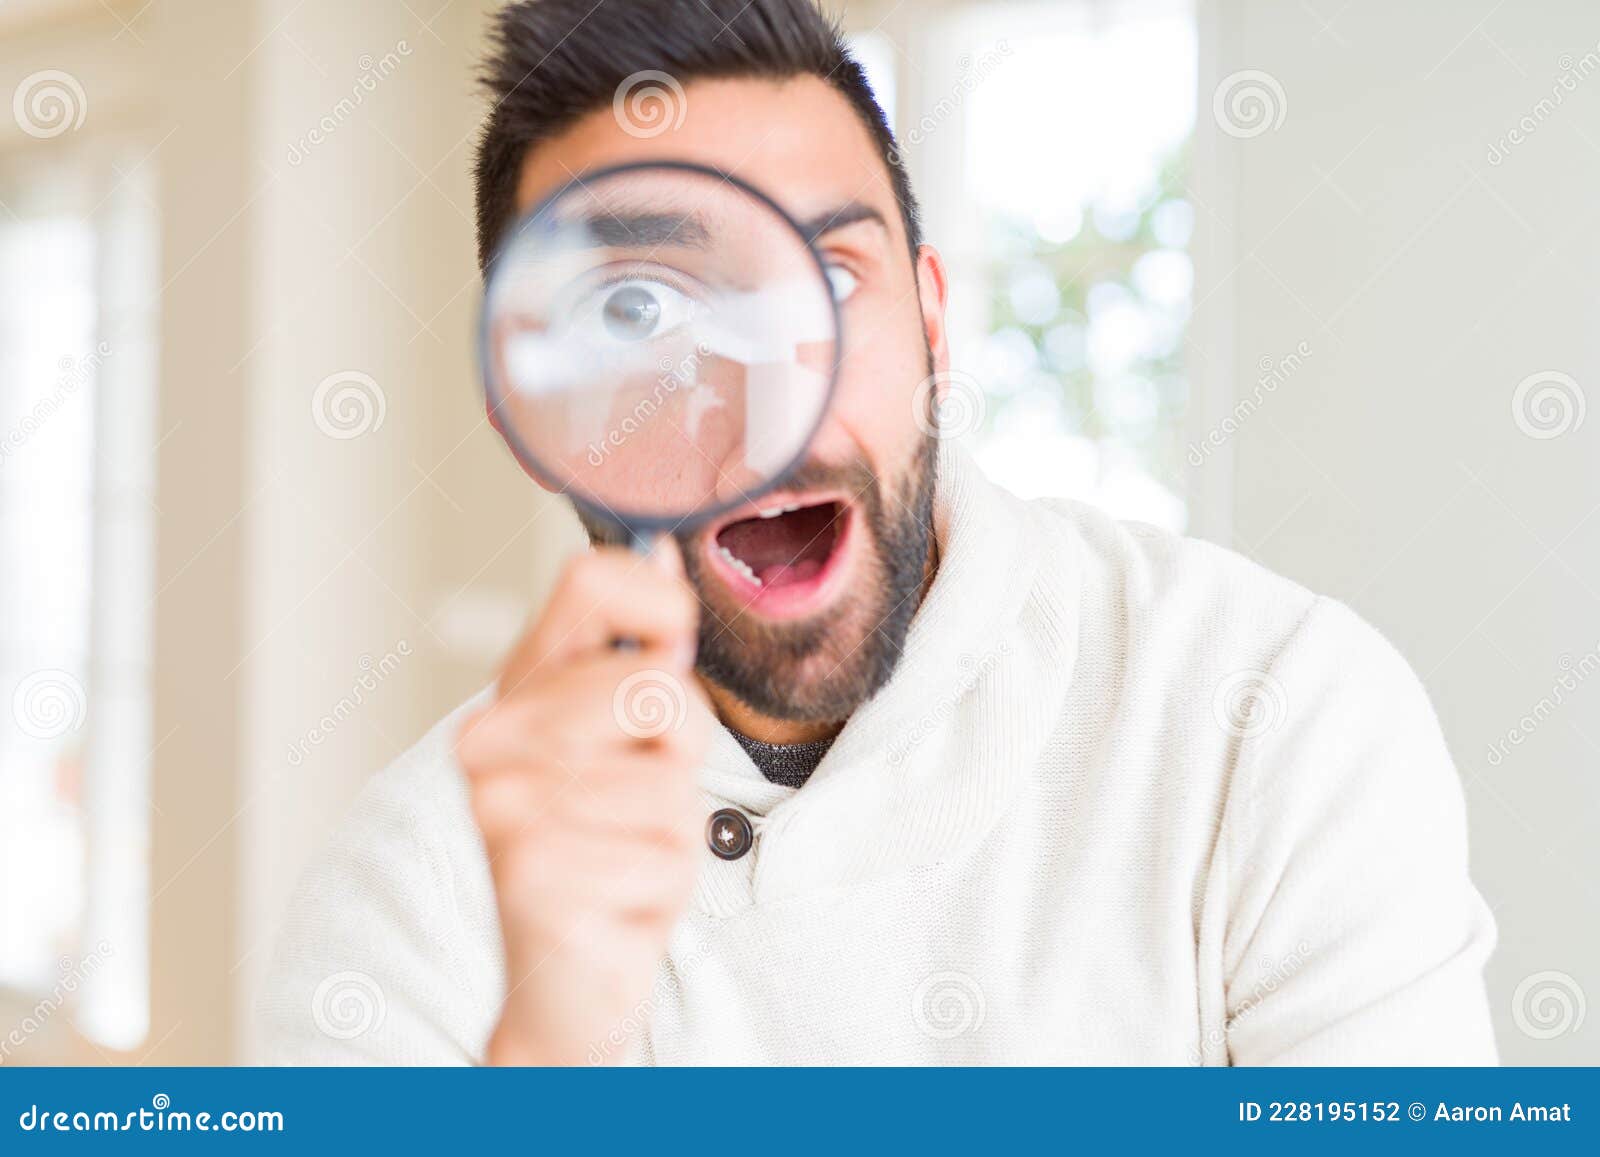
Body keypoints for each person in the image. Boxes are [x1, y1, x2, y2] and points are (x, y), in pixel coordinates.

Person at [260, 0, 1497, 1065]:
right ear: (528, 401)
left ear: (933, 322)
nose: (754, 405)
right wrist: (550, 1053)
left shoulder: (1273, 718)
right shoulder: (411, 892)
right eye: (637, 305)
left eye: (825, 273)